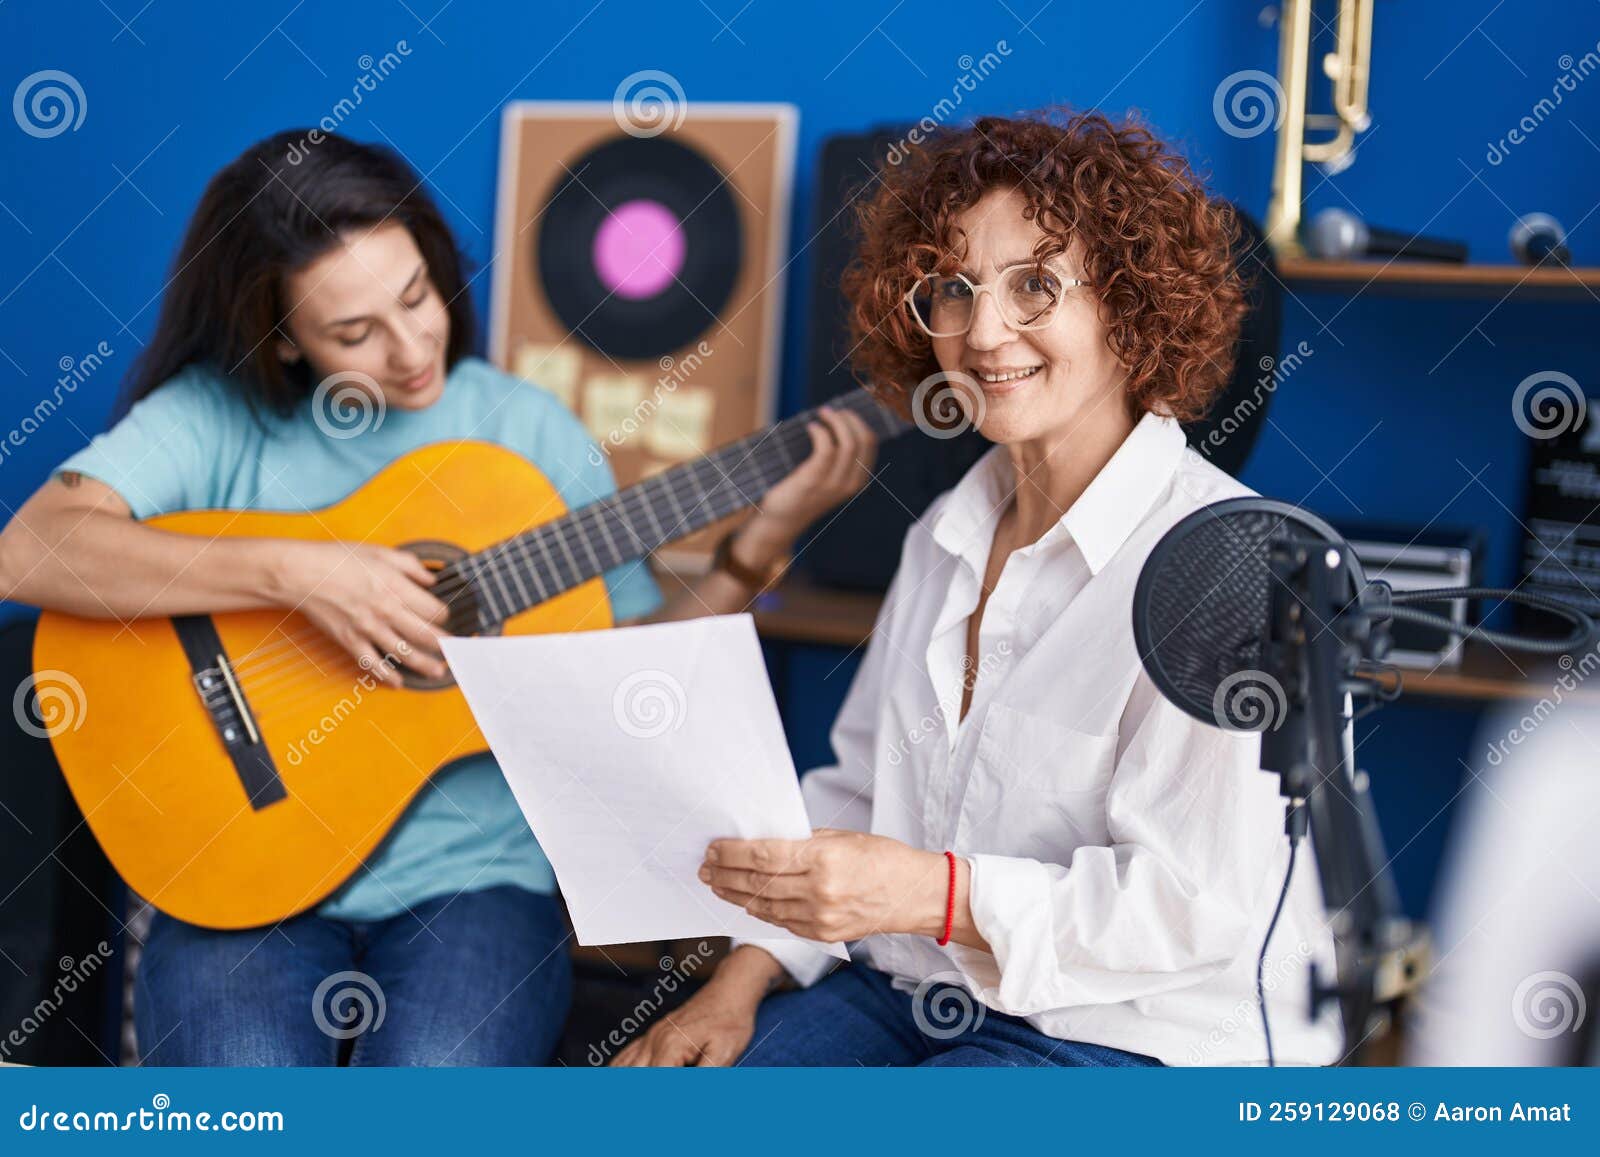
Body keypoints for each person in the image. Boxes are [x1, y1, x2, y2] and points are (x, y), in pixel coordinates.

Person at [0, 130, 876, 1066]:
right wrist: (304, 574)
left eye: (416, 295)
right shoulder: (219, 415)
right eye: (352, 332)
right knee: (240, 1090)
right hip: (237, 874)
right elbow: (29, 553)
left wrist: (756, 547)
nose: (413, 345)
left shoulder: (523, 430)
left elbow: (630, 678)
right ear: (281, 334)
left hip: (477, 883)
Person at [614, 110, 1343, 1068]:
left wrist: (934, 895)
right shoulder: (945, 535)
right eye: (953, 290)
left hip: (1135, 1032)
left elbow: (1191, 904)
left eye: (1035, 285)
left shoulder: (1227, 571)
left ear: (1131, 307)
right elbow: (856, 786)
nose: (984, 333)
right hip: (916, 982)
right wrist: (736, 984)